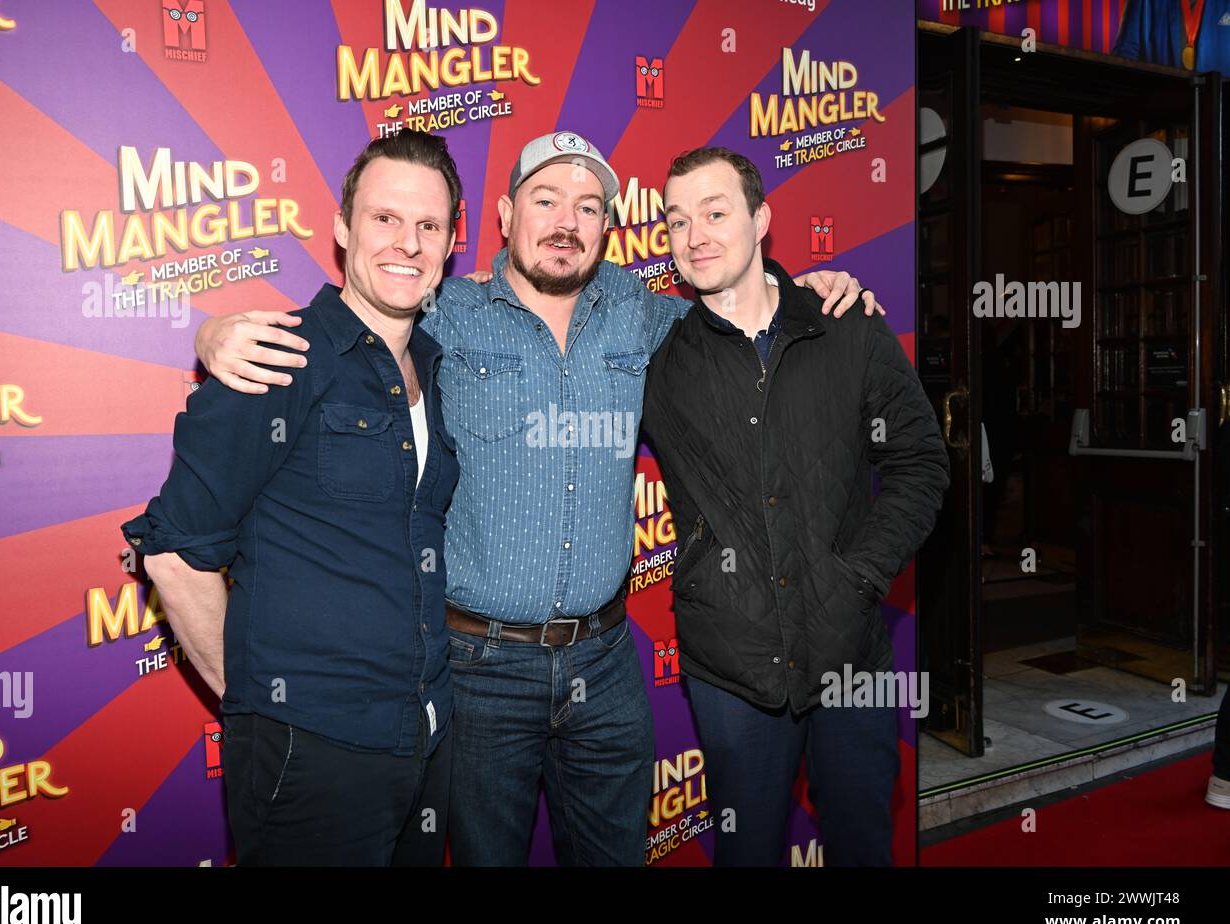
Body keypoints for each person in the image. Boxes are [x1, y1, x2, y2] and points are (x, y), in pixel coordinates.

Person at [194, 130, 880, 866]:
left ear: (608, 228)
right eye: (546, 199)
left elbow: (743, 318)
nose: (566, 222)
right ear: (501, 215)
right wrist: (214, 335)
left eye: (589, 208)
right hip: (478, 667)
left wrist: (809, 289)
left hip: (608, 664)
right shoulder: (440, 313)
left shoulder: (641, 314)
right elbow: (353, 318)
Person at [122, 129, 462, 866]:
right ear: (342, 229)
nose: (407, 242)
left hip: (426, 739)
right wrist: (260, 711)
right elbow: (175, 556)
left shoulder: (436, 366)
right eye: (385, 219)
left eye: (428, 226)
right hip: (313, 758)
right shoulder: (277, 356)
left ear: (450, 242)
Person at [641, 146, 949, 866]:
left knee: (862, 841)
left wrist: (860, 576)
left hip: (849, 655)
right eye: (678, 221)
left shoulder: (846, 325)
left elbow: (920, 462)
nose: (696, 235)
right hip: (732, 669)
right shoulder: (658, 359)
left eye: (716, 213)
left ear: (761, 220)